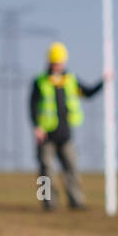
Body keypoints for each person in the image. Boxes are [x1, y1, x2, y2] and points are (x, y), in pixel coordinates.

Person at [29, 42, 107, 211]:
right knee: (46, 171)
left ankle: (76, 202)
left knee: (72, 169)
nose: (58, 65)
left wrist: (104, 81)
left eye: (60, 62)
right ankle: (48, 203)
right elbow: (32, 106)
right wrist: (37, 127)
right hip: (46, 134)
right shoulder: (40, 81)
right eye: (55, 62)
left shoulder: (71, 80)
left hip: (65, 134)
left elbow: (88, 93)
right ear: (49, 62)